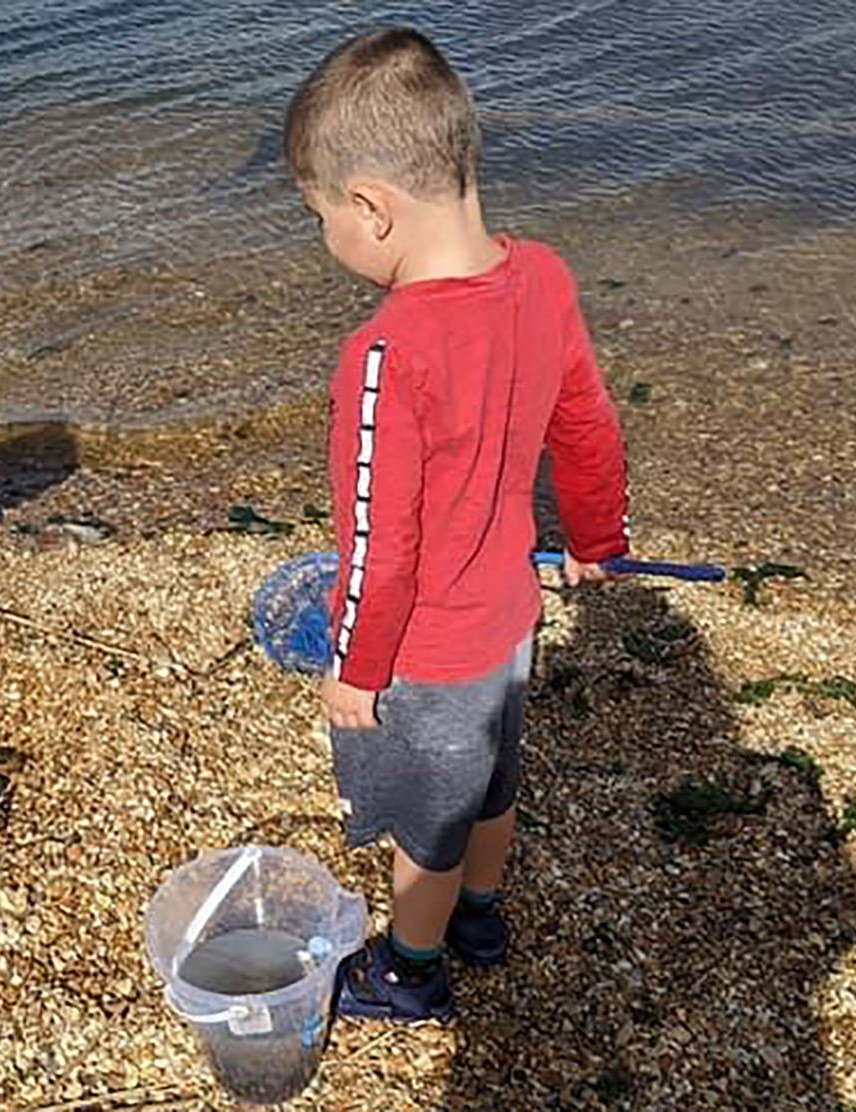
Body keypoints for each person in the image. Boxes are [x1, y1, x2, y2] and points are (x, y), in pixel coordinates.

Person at [283, 28, 631, 1021]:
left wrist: (353, 662)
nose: (328, 241)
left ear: (369, 206)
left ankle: (410, 966)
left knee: (425, 827)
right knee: (491, 786)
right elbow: (586, 429)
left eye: (320, 218)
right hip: (509, 619)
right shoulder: (544, 276)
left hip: (426, 650)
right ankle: (482, 915)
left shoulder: (384, 353)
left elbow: (376, 540)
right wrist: (594, 539)